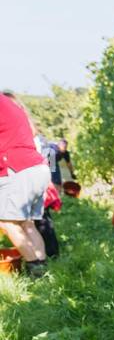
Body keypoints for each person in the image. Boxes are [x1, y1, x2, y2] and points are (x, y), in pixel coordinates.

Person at [0, 92, 49, 276]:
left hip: (19, 168)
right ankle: (43, 267)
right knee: (27, 224)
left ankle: (35, 270)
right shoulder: (10, 105)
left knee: (7, 222)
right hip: (37, 168)